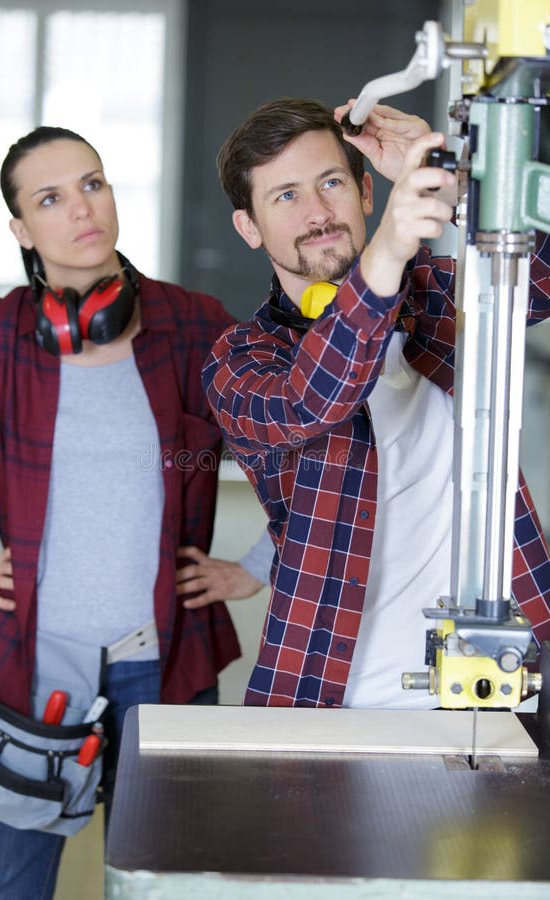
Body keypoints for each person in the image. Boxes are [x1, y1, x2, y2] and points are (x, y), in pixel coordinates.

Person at [0, 124, 269, 899]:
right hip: (30, 671)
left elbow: (299, 448)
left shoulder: (194, 324)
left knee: (168, 889)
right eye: (51, 198)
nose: (82, 209)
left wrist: (258, 566)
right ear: (23, 230)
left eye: (93, 183)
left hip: (168, 666)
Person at [202, 97, 550, 709]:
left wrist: (466, 181)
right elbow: (312, 402)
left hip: (502, 683)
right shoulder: (240, 361)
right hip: (341, 699)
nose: (318, 213)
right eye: (285, 196)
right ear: (249, 228)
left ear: (366, 190)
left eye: (330, 182)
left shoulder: (436, 292)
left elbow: (544, 271)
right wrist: (385, 251)